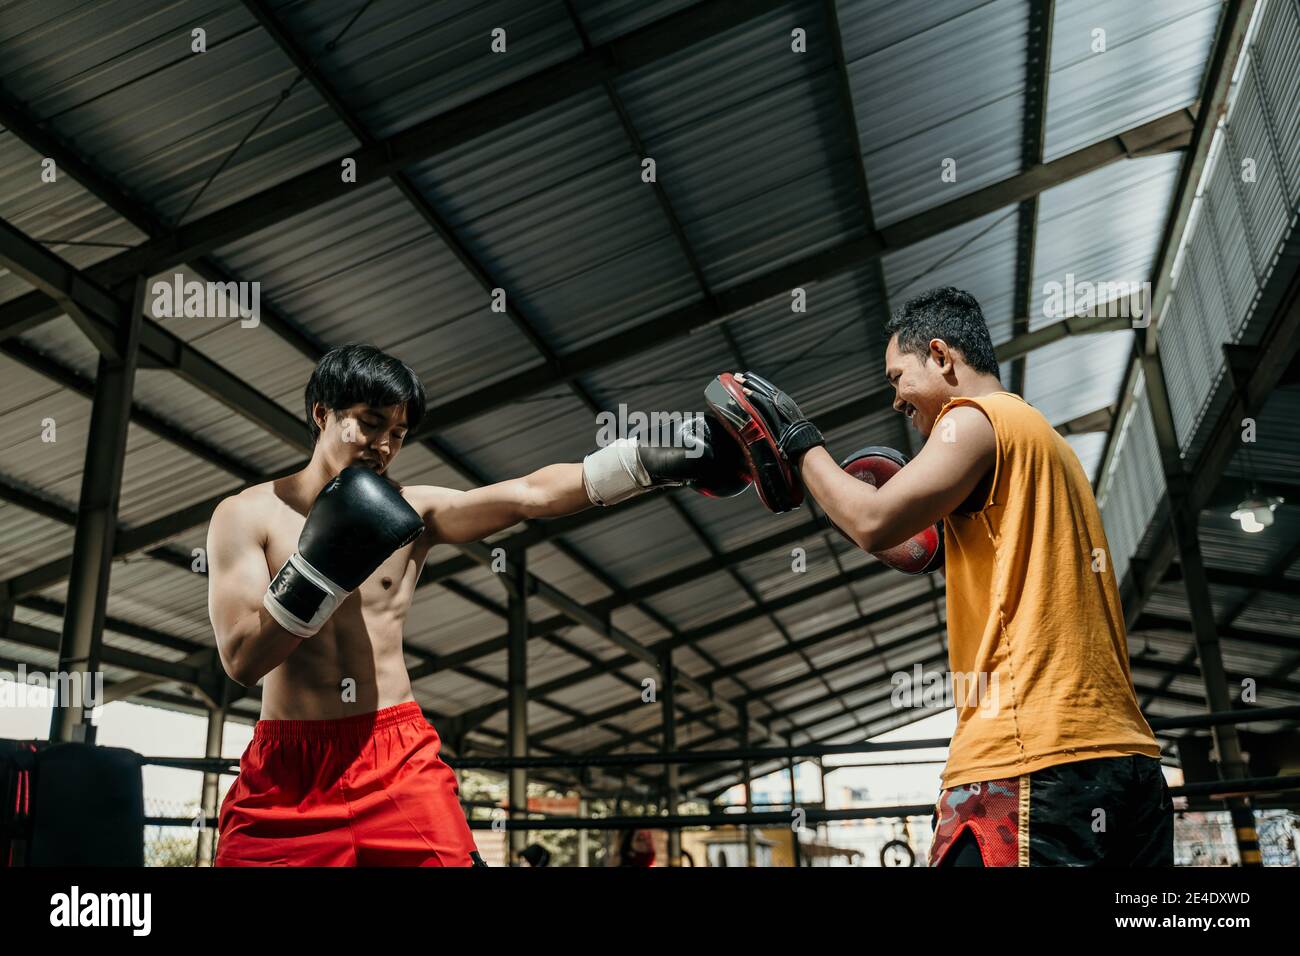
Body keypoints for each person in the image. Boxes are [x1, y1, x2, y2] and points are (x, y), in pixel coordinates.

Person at [207, 344, 746, 866]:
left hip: (395, 758)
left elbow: (528, 495)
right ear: (322, 413)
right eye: (371, 423)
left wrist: (653, 461)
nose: (384, 447)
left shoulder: (411, 510)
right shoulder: (247, 515)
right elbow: (242, 660)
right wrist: (321, 568)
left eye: (398, 433)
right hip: (289, 771)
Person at [719, 287, 1170, 867]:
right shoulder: (1047, 445)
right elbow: (978, 550)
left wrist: (797, 443)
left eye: (897, 377)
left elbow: (873, 519)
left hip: (1030, 757)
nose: (895, 400)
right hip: (1125, 759)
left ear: (940, 356)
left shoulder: (975, 420)